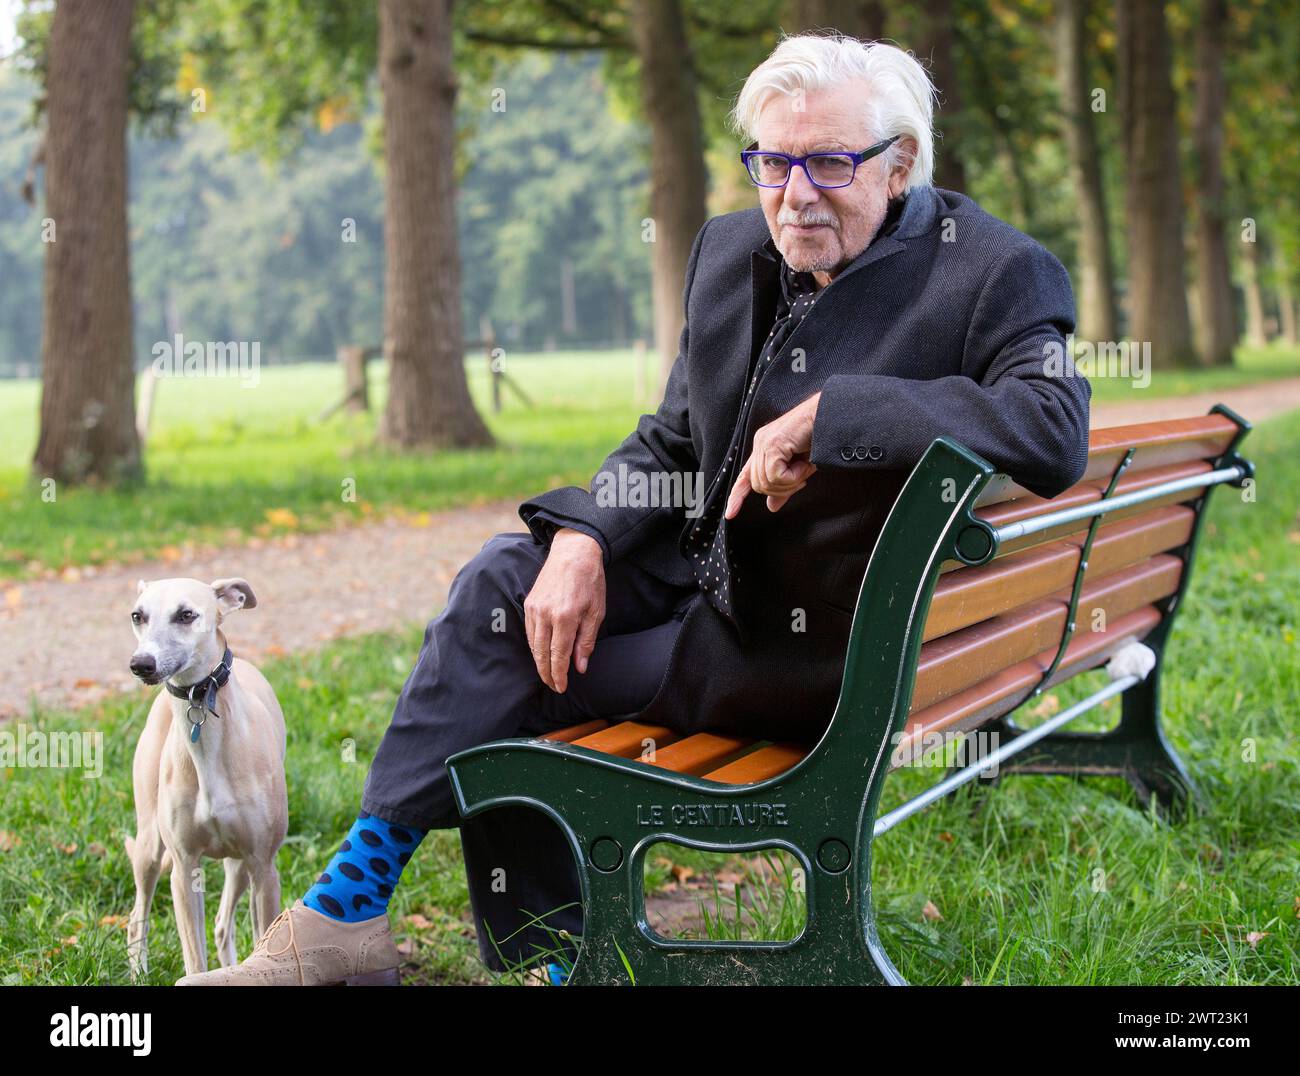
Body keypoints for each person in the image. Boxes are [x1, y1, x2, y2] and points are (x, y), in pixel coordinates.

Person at [177, 31, 1089, 986]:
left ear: (900, 164)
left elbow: (1053, 422)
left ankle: (491, 946)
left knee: (518, 671)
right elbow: (673, 441)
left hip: (814, 651)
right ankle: (371, 918)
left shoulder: (989, 269)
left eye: (827, 163)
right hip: (708, 598)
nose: (795, 193)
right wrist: (582, 538)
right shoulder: (733, 248)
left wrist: (836, 417)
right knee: (510, 582)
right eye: (772, 163)